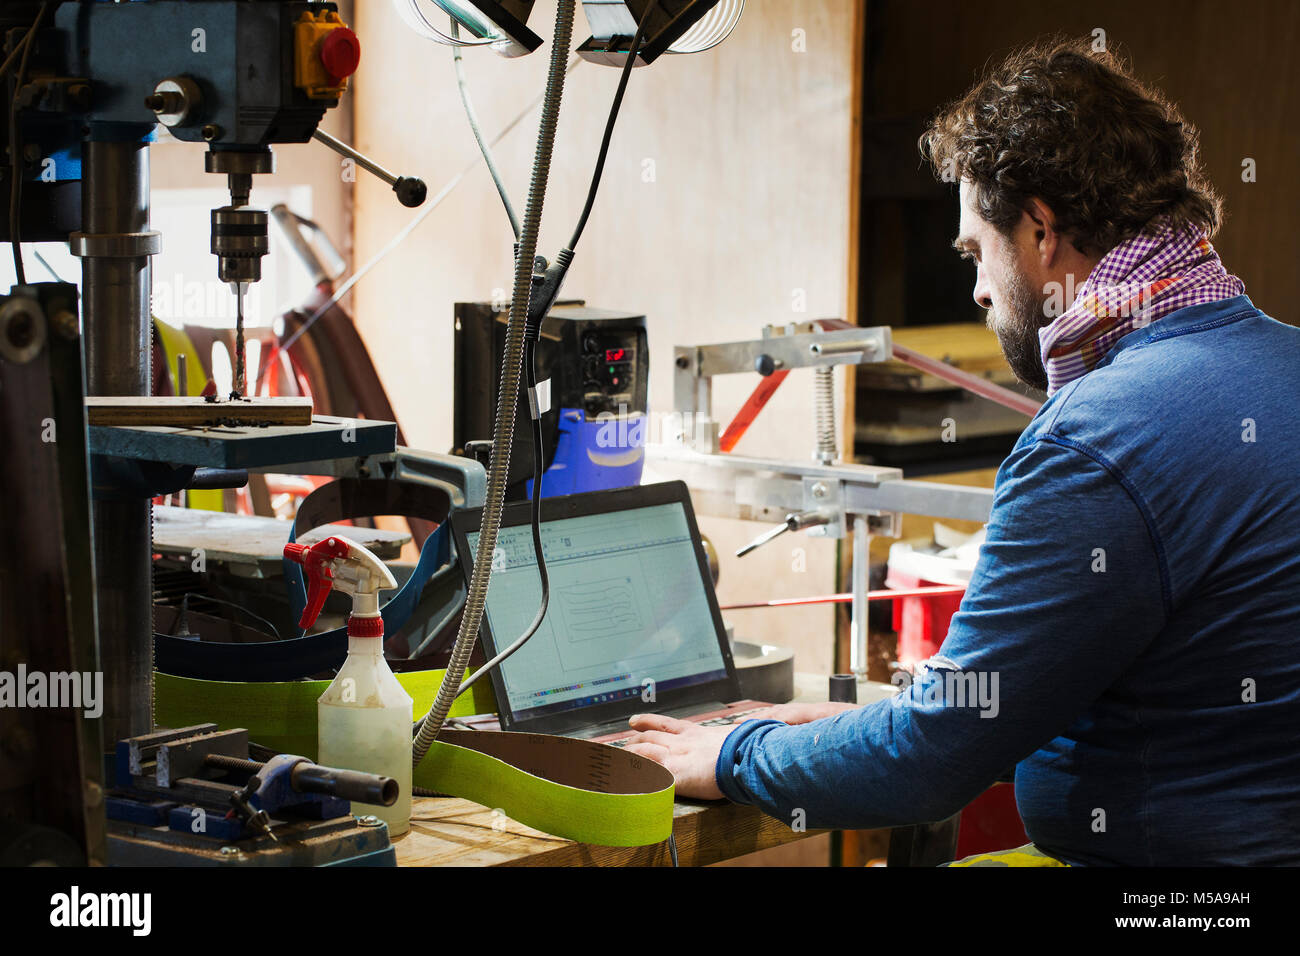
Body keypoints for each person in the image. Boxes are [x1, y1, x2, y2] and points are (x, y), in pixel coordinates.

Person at [623, 37, 1300, 866]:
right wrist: (877, 725)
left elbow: (926, 767)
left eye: (978, 251)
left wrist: (732, 756)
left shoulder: (1094, 443)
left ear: (1041, 230)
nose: (977, 289)